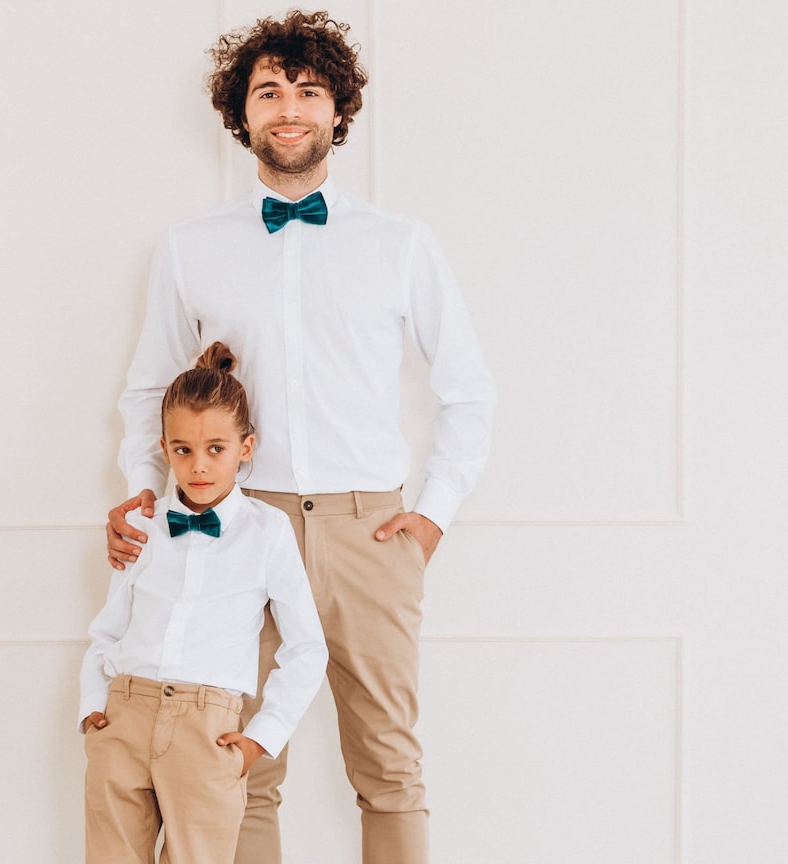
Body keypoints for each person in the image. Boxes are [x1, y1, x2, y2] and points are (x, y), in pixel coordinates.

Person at [106, 10, 496, 864]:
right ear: (240, 113)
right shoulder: (190, 248)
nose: (289, 109)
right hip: (239, 526)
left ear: (338, 110)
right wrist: (148, 495)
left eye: (309, 91)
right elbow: (150, 388)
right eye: (269, 91)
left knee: (389, 763)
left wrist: (429, 518)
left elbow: (469, 392)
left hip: (372, 530)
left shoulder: (400, 245)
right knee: (236, 762)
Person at [80, 342, 327, 864]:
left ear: (246, 447)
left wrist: (259, 740)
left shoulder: (267, 532)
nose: (198, 466)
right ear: (165, 449)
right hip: (125, 714)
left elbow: (308, 648)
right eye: (183, 449)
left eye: (216, 448)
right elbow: (108, 629)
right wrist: (94, 711)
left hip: (206, 731)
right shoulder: (142, 526)